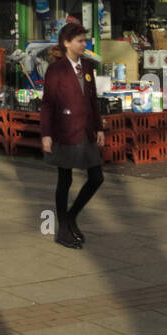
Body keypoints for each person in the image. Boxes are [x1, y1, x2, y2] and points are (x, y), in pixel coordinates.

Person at [39, 21, 105, 249]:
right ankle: (63, 230)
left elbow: (93, 100)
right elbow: (47, 104)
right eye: (79, 41)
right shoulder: (56, 69)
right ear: (66, 43)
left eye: (85, 40)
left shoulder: (87, 67)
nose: (84, 44)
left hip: (86, 130)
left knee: (97, 177)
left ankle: (71, 216)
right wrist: (46, 134)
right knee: (65, 179)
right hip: (64, 131)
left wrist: (99, 128)